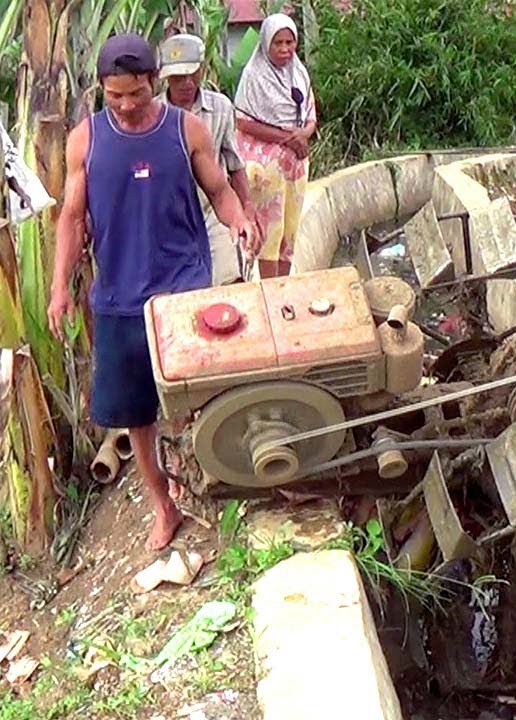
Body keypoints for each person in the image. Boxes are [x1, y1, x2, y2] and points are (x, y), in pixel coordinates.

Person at [46, 34, 255, 551]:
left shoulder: (186, 130)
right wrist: (58, 289)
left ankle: (218, 484)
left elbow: (221, 191)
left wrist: (240, 222)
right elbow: (71, 219)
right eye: (114, 95)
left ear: (154, 82)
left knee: (198, 394)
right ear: (102, 88)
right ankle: (163, 506)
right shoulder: (85, 140)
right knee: (137, 415)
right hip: (119, 296)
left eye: (135, 93)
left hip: (183, 287)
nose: (125, 104)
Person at [159, 33, 257, 285]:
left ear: (202, 69)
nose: (186, 82)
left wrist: (245, 211)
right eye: (178, 77)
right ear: (166, 76)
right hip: (170, 219)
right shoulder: (153, 114)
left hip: (215, 212)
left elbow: (234, 165)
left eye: (192, 73)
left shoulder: (221, 108)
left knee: (229, 282)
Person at [234, 13, 317, 279]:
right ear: (265, 44)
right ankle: (271, 291)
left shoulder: (299, 73)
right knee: (270, 232)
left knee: (290, 231)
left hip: (295, 166)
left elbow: (311, 114)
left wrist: (303, 135)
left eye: (289, 42)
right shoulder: (254, 76)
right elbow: (243, 121)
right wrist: (287, 139)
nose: (284, 49)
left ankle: (284, 288)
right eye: (277, 43)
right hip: (265, 172)